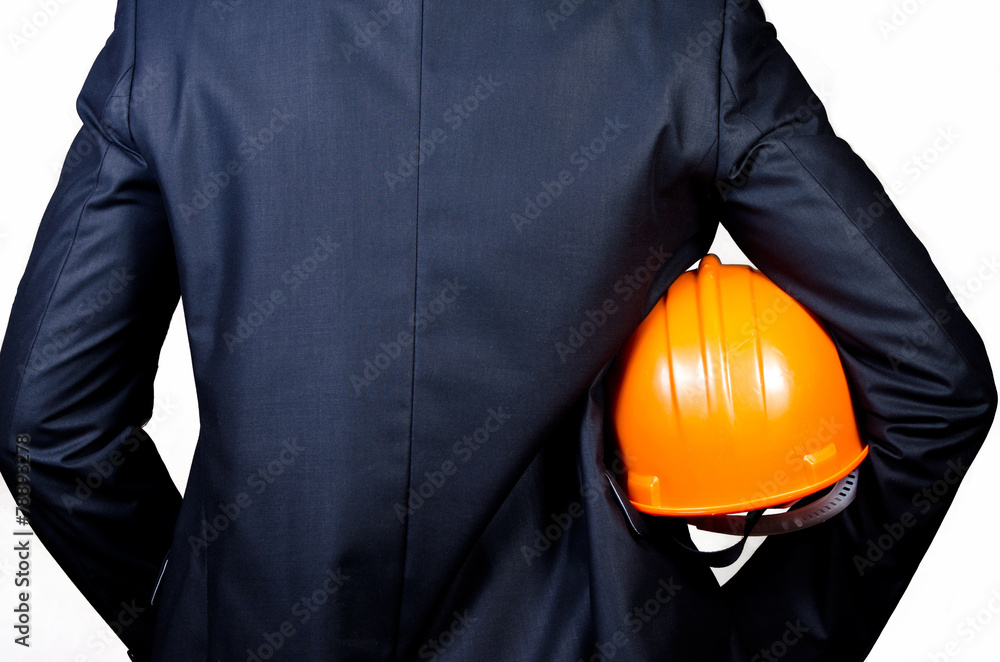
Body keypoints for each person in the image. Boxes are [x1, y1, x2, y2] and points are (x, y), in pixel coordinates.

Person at [0, 0, 995, 660]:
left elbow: (49, 421)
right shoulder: (680, 26)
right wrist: (756, 638)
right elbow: (931, 378)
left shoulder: (184, 26)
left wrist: (191, 621)